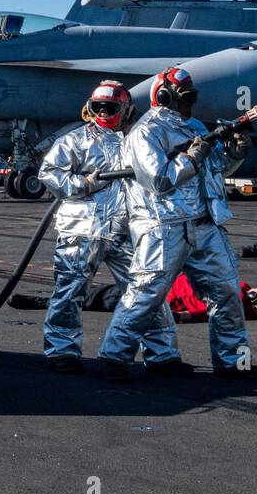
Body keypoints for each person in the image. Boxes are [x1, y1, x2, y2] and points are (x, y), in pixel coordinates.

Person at [97, 66, 257, 379]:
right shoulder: (146, 133)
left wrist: (235, 154)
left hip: (204, 224)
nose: (191, 103)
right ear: (164, 96)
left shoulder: (194, 126)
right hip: (163, 227)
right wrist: (191, 157)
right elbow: (160, 180)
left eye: (192, 97)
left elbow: (215, 170)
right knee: (146, 294)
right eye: (186, 97)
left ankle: (233, 363)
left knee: (226, 293)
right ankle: (113, 358)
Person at [36, 80, 177, 374]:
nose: (104, 112)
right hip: (81, 230)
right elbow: (49, 174)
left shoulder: (138, 142)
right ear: (90, 107)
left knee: (146, 291)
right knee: (69, 291)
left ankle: (162, 354)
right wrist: (85, 184)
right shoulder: (76, 140)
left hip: (125, 231)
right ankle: (62, 351)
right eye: (98, 106)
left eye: (110, 107)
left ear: (126, 109)